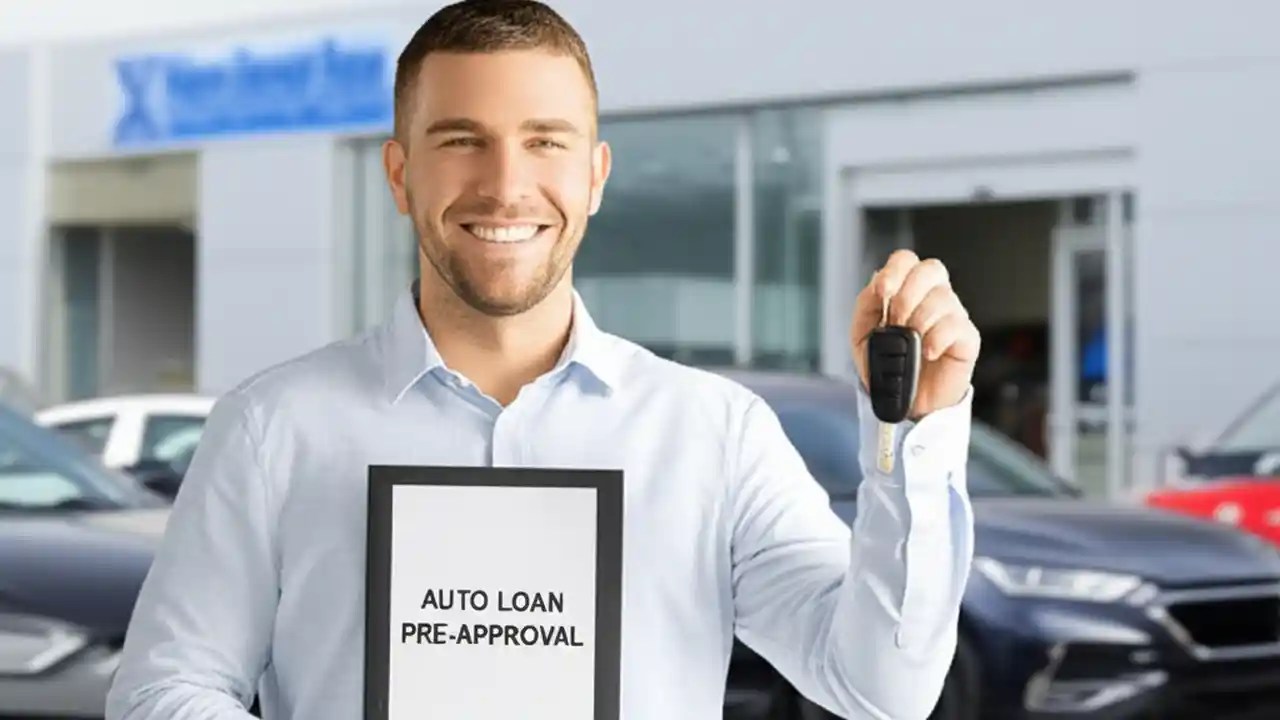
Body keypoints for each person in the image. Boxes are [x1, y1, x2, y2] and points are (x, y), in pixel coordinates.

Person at [105, 1, 979, 718]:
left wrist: (917, 439)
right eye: (461, 140)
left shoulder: (713, 433)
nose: (505, 185)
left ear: (596, 176)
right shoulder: (273, 428)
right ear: (401, 175)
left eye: (545, 140)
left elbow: (881, 690)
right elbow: (161, 691)